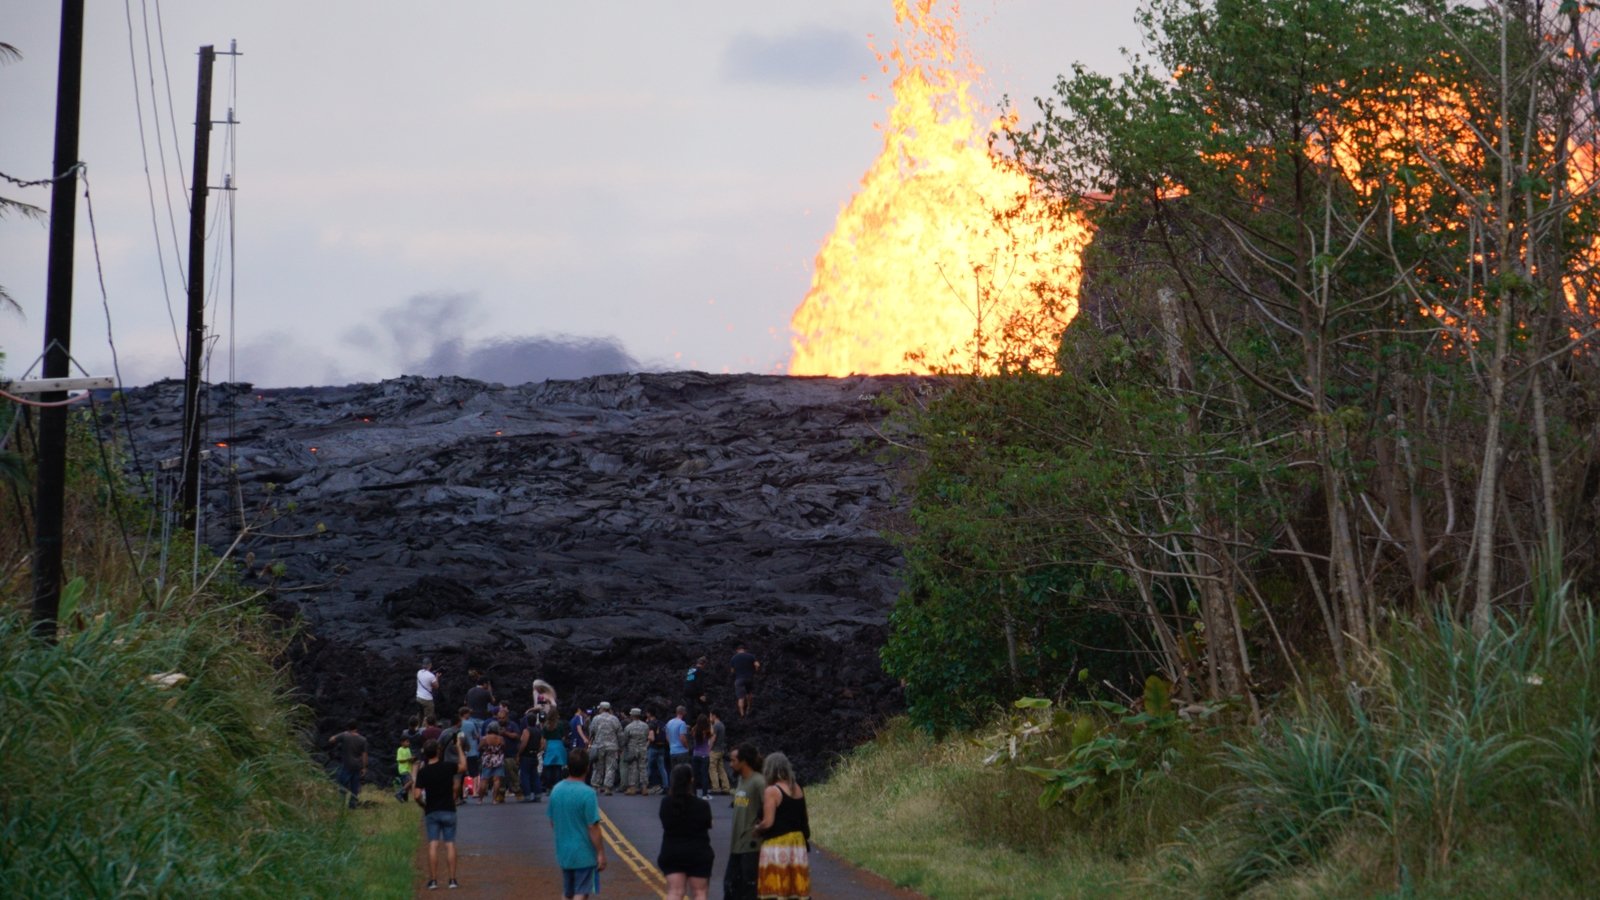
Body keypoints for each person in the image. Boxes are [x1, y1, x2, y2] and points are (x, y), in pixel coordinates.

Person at [547, 747, 606, 900]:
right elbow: (593, 826)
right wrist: (600, 852)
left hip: (564, 852)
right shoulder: (588, 793)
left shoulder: (556, 790)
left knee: (568, 892)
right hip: (584, 853)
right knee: (581, 892)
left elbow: (553, 821)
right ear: (587, 768)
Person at [753, 752, 810, 900]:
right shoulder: (797, 788)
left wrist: (757, 829)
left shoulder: (772, 791)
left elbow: (768, 822)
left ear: (769, 769)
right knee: (794, 889)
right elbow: (804, 817)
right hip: (797, 843)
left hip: (778, 844)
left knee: (777, 889)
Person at [414, 735, 466, 890]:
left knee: (433, 844)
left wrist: (423, 805)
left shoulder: (423, 772)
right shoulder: (448, 767)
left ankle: (433, 881)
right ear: (438, 751)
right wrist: (459, 747)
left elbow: (416, 795)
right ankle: (452, 880)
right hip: (449, 809)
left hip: (432, 810)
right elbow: (463, 766)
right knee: (450, 844)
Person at [657, 764, 714, 900]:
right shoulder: (702, 805)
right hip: (698, 853)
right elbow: (709, 824)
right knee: (699, 892)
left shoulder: (666, 803)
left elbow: (665, 823)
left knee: (675, 891)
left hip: (672, 851)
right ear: (691, 780)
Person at [724, 744, 765, 900]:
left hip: (751, 845)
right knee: (730, 887)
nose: (730, 764)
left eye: (733, 760)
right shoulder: (741, 780)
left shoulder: (759, 782)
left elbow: (769, 808)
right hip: (736, 844)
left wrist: (759, 827)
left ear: (744, 762)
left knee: (748, 889)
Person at [327, 721, 367, 810]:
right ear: (357, 728)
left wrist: (342, 735)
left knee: (342, 785)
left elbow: (331, 740)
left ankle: (341, 805)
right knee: (355, 787)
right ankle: (352, 806)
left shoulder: (345, 735)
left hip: (347, 765)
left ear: (348, 727)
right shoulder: (363, 739)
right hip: (357, 766)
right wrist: (364, 767)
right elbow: (364, 754)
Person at [588, 701, 623, 796]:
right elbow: (620, 734)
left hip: (599, 746)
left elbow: (591, 731)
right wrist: (621, 747)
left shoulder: (596, 718)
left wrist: (590, 741)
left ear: (602, 709)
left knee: (598, 767)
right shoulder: (615, 719)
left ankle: (595, 786)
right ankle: (608, 787)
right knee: (610, 767)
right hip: (612, 746)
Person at [519, 704, 546, 802]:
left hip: (526, 755)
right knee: (535, 775)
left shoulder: (527, 731)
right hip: (534, 755)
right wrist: (538, 751)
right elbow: (543, 744)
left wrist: (519, 753)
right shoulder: (539, 731)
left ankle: (527, 795)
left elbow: (524, 743)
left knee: (525, 775)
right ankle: (538, 794)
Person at [621, 708, 651, 795]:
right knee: (643, 768)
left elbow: (625, 739)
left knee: (632, 769)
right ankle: (644, 788)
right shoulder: (645, 726)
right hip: (643, 749)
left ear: (632, 715)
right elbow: (646, 736)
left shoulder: (629, 727)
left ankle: (632, 788)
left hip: (632, 750)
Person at [543, 710, 571, 795]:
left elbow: (544, 738)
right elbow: (563, 736)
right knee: (558, 768)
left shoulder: (546, 725)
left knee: (548, 767)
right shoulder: (560, 724)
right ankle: (557, 787)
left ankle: (548, 787)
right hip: (558, 745)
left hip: (549, 745)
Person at [458, 705, 483, 800]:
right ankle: (475, 791)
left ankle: (464, 792)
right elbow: (476, 736)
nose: (469, 715)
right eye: (468, 713)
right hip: (472, 750)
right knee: (475, 772)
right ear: (465, 714)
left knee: (463, 773)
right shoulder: (471, 724)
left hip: (462, 752)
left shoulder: (458, 724)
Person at [479, 722, 507, 804]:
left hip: (487, 759)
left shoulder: (484, 738)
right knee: (497, 780)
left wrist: (485, 750)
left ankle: (480, 799)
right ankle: (494, 799)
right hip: (498, 759)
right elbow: (504, 747)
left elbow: (479, 748)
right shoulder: (501, 738)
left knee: (484, 780)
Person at [729, 645, 760, 718]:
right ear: (744, 650)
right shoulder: (750, 656)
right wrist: (755, 671)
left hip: (739, 679)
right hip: (749, 678)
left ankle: (742, 714)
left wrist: (735, 674)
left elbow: (732, 671)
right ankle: (748, 708)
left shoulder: (733, 658)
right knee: (749, 694)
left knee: (741, 697)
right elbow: (757, 665)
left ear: (737, 650)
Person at [646, 710, 670, 795]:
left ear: (649, 714)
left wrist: (646, 745)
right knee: (662, 768)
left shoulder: (651, 724)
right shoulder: (662, 724)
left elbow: (651, 738)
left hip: (653, 747)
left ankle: (644, 786)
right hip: (662, 748)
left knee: (648, 767)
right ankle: (666, 786)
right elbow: (667, 737)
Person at [707, 711, 731, 795]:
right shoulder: (721, 725)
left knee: (712, 769)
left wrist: (709, 749)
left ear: (714, 715)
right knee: (721, 769)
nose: (710, 718)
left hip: (715, 750)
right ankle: (726, 787)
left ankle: (715, 788)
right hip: (721, 750)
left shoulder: (716, 725)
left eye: (711, 716)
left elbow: (713, 738)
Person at [690, 714, 713, 799]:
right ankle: (704, 794)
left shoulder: (694, 730)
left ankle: (693, 793)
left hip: (696, 754)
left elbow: (692, 735)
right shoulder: (707, 731)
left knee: (694, 775)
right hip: (705, 755)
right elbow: (712, 735)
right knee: (704, 775)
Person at [666, 706, 692, 778]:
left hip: (672, 751)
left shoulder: (669, 722)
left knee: (674, 773)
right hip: (682, 751)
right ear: (683, 712)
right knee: (683, 773)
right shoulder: (682, 723)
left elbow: (667, 736)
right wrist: (687, 747)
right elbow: (682, 737)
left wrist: (671, 745)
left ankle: (674, 785)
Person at [395, 732, 417, 802]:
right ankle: (399, 793)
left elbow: (409, 759)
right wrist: (408, 759)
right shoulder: (400, 750)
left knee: (406, 784)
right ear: (402, 742)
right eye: (407, 742)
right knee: (411, 781)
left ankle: (404, 799)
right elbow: (400, 760)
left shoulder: (408, 749)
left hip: (408, 769)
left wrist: (413, 759)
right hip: (403, 769)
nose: (408, 743)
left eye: (408, 742)